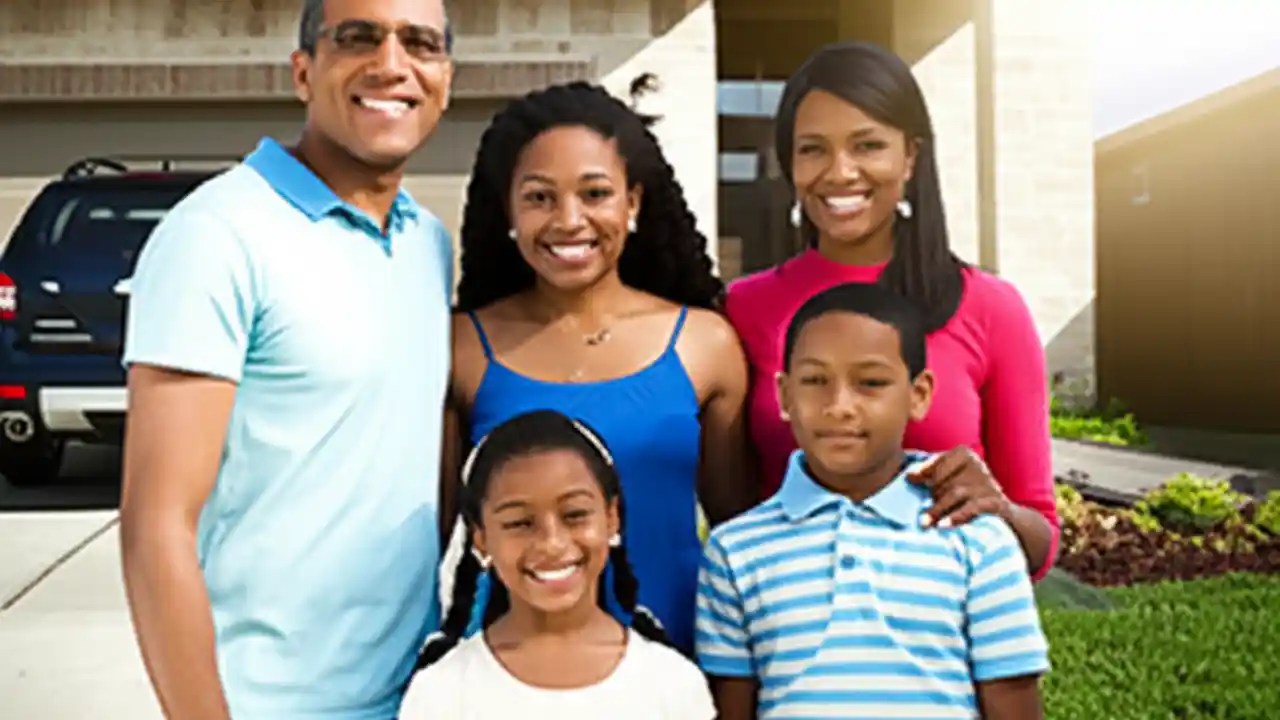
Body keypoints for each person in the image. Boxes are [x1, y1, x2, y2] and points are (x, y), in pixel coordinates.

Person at [118, 1, 455, 718]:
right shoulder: (218, 235)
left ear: (444, 80)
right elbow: (156, 526)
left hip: (414, 697)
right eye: (358, 38)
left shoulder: (427, 242)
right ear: (303, 72)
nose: (391, 64)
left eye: (419, 43)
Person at [724, 41, 1059, 578]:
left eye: (868, 145)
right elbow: (733, 516)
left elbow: (1039, 545)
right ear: (789, 164)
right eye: (812, 149)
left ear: (911, 157)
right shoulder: (742, 309)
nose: (840, 172)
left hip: (938, 640)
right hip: (790, 633)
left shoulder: (991, 308)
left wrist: (996, 509)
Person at [442, 81, 755, 655]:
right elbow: (427, 543)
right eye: (539, 197)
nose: (568, 220)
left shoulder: (704, 345)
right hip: (515, 676)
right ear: (507, 209)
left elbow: (744, 537)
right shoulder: (462, 347)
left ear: (632, 203)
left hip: (677, 667)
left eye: (594, 193)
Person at [697, 282, 1051, 719]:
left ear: (919, 395)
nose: (839, 406)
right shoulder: (735, 552)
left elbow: (1013, 705)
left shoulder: (978, 541)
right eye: (814, 381)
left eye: (870, 383)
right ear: (785, 395)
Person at [402, 410, 717, 719]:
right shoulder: (442, 692)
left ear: (612, 518)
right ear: (481, 539)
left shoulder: (671, 684)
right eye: (520, 523)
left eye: (575, 515)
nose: (552, 543)